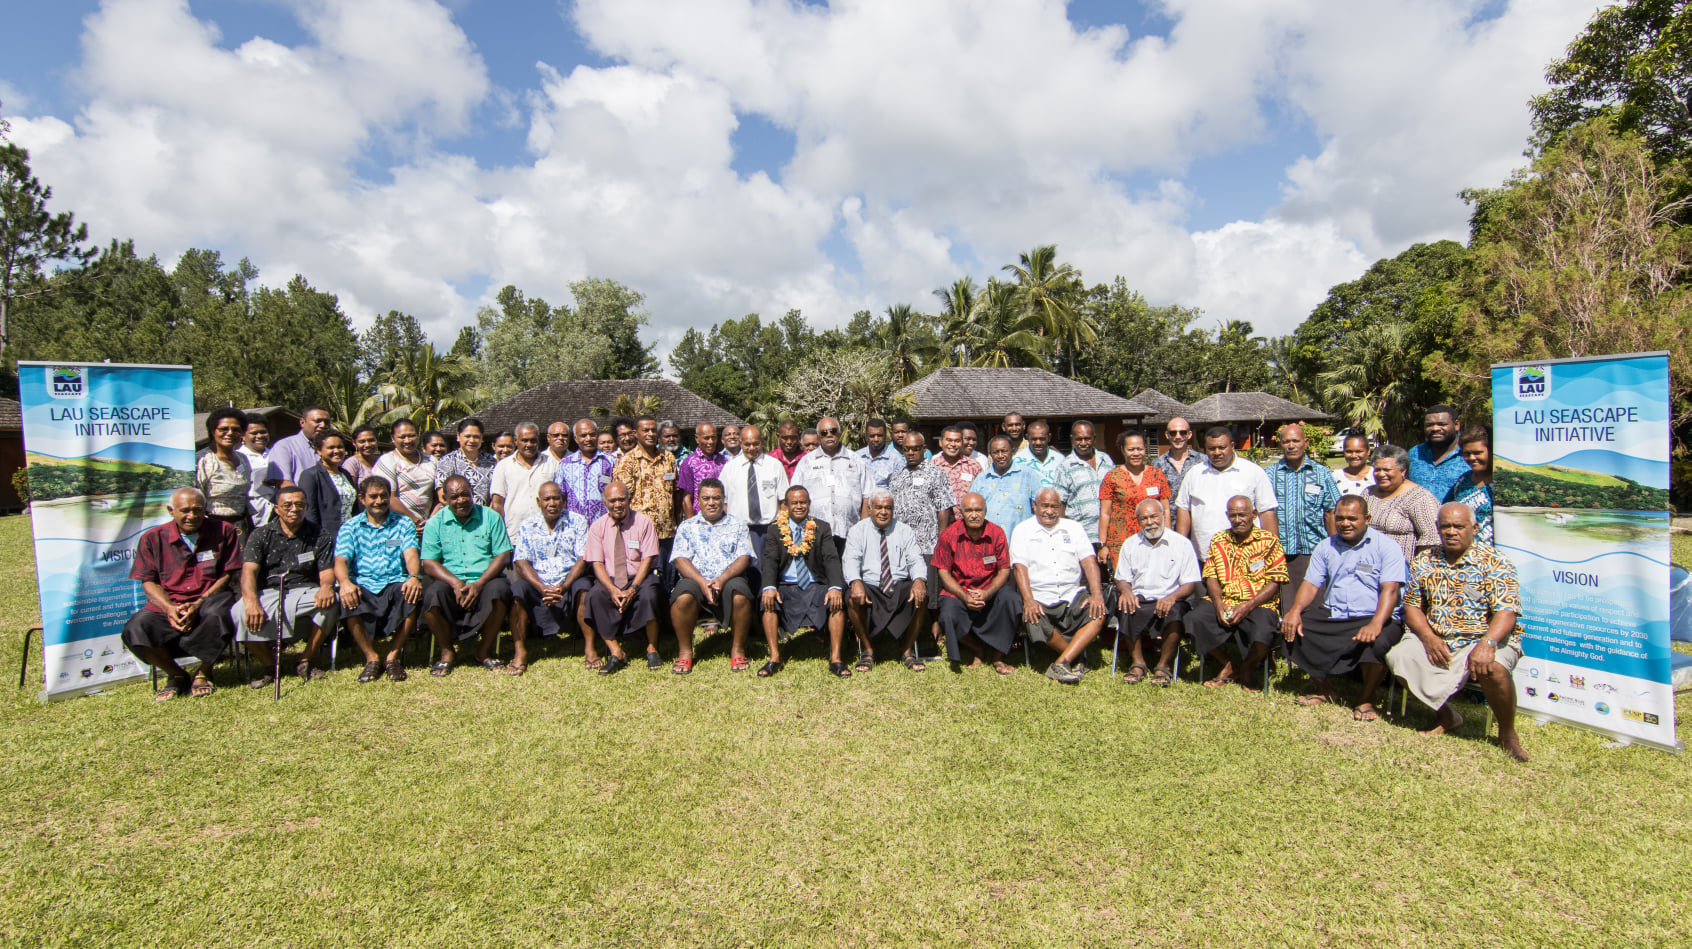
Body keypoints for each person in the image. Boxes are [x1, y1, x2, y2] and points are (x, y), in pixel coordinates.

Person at [1386, 503, 1529, 761]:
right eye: (1445, 526)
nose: (1451, 532)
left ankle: (1507, 734)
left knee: (1493, 667)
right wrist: (1429, 638)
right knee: (1400, 656)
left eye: (1459, 526)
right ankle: (1446, 715)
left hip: (1485, 636)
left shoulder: (1495, 562)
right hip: (1438, 635)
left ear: (1474, 528)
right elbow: (1412, 607)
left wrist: (1487, 643)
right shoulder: (1425, 560)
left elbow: (1506, 611)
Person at [1281, 495, 1407, 720]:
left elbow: (1390, 590)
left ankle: (1365, 699)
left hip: (1375, 615)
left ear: (1367, 518)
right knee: (1294, 629)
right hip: (1335, 613)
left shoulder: (1387, 547)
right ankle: (1324, 689)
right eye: (1340, 518)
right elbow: (1310, 584)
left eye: (1352, 518)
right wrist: (1295, 611)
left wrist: (1376, 624)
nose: (1345, 523)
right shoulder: (1326, 546)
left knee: (1377, 642)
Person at [122, 488, 240, 700]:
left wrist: (199, 603)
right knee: (135, 628)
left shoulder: (225, 531)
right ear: (171, 511)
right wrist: (169, 608)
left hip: (209, 596)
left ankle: (204, 672)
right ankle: (176, 674)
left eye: (198, 510)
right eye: (185, 510)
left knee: (218, 615)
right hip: (170, 601)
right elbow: (148, 581)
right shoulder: (152, 539)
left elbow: (227, 573)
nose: (192, 516)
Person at [232, 485, 337, 686]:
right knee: (239, 612)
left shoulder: (319, 535)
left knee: (331, 602)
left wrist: (326, 587)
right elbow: (248, 572)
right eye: (287, 505)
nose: (293, 509)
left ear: (306, 507)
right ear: (276, 508)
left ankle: (305, 660)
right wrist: (252, 602)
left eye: (299, 504)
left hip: (306, 590)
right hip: (270, 591)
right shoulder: (260, 534)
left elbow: (326, 572)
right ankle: (270, 666)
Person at [1186, 495, 1290, 692]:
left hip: (1259, 603)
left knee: (1264, 632)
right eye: (1232, 515)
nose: (1237, 519)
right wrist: (1218, 603)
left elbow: (1276, 581)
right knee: (1194, 619)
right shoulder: (1219, 539)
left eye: (1242, 515)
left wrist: (1247, 606)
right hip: (1225, 599)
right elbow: (1211, 576)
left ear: (1254, 515)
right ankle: (1227, 665)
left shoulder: (1269, 541)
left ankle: (1247, 668)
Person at [1010, 488, 1108, 683]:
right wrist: (1028, 600)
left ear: (1061, 508)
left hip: (1072, 595)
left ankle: (1061, 662)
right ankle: (1076, 658)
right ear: (1034, 506)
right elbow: (1019, 568)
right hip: (1040, 595)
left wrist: (1096, 593)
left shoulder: (1074, 528)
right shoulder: (1022, 530)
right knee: (1033, 617)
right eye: (1044, 506)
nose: (1049, 511)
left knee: (1098, 611)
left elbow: (1089, 562)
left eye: (1054, 506)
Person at [419, 476, 514, 676]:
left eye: (465, 495)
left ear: (473, 494)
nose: (461, 500)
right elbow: (428, 562)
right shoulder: (435, 523)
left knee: (500, 590)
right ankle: (447, 652)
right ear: (444, 499)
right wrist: (455, 582)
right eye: (454, 497)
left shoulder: (490, 517)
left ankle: (484, 650)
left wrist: (479, 583)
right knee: (431, 595)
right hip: (449, 581)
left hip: (485, 578)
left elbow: (503, 555)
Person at [334, 477, 424, 683]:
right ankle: (371, 657)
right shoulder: (350, 527)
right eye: (373, 496)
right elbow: (341, 560)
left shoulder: (403, 523)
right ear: (362, 499)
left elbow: (410, 553)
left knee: (411, 594)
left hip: (394, 581)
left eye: (383, 496)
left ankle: (393, 656)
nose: (379, 500)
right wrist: (346, 583)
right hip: (363, 582)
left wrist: (413, 577)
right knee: (348, 598)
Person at [669, 478, 757, 674]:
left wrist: (722, 579)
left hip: (728, 578)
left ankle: (738, 649)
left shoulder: (737, 524)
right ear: (698, 501)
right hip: (695, 579)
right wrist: (702, 583)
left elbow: (744, 557)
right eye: (706, 498)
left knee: (741, 595)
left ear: (723, 500)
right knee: (682, 598)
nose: (711, 502)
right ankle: (685, 652)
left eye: (716, 498)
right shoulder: (687, 526)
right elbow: (680, 559)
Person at [758, 486, 848, 678]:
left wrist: (835, 587)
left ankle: (836, 659)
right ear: (786, 506)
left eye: (803, 502)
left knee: (837, 600)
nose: (799, 506)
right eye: (794, 503)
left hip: (815, 584)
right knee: (767, 600)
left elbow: (831, 558)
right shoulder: (775, 529)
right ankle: (774, 657)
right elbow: (770, 560)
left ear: (809, 503)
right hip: (786, 585)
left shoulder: (821, 527)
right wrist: (769, 586)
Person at [1114, 499, 1201, 687]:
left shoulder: (1182, 544)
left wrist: (1172, 597)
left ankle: (1164, 665)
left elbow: (1190, 583)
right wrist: (1126, 591)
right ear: (1138, 520)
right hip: (1141, 598)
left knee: (1176, 613)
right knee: (1126, 605)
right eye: (1144, 518)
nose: (1150, 522)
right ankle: (1138, 663)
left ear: (1163, 516)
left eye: (1154, 516)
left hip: (1172, 598)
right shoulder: (1130, 544)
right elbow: (1122, 577)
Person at [509, 482, 592, 676]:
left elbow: (583, 557)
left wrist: (564, 586)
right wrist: (541, 587)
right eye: (547, 499)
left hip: (568, 580)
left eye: (556, 498)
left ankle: (590, 648)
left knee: (585, 588)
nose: (552, 503)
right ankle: (520, 651)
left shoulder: (578, 521)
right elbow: (521, 561)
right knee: (516, 591)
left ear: (563, 501)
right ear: (539, 502)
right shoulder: (528, 525)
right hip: (539, 583)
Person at [842, 490, 930, 672]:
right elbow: (851, 560)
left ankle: (907, 650)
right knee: (852, 596)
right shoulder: (858, 530)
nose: (883, 512)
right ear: (870, 508)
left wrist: (919, 580)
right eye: (879, 507)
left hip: (897, 586)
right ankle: (867, 650)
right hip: (871, 587)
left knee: (922, 595)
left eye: (888, 508)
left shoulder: (904, 530)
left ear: (893, 509)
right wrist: (855, 581)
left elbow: (915, 559)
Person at [934, 493, 1022, 673]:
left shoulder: (996, 533)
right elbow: (943, 571)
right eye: (969, 510)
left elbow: (1004, 569)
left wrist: (988, 593)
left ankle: (998, 655)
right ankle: (977, 649)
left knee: (1012, 599)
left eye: (978, 510)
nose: (974, 514)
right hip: (960, 591)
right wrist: (964, 596)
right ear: (962, 512)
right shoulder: (949, 534)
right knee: (947, 614)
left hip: (989, 590)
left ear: (985, 511)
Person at [582, 480, 662, 675]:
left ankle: (652, 648)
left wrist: (633, 588)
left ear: (629, 499)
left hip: (638, 577)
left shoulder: (643, 522)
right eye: (612, 501)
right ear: (605, 503)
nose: (617, 504)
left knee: (650, 593)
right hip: (610, 579)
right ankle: (616, 651)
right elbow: (597, 563)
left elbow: (647, 558)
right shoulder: (598, 527)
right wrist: (612, 589)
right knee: (593, 596)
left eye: (621, 499)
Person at [1176, 427, 1278, 563]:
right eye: (1211, 449)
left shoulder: (1253, 472)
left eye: (1222, 447)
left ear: (1232, 446)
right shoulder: (1194, 474)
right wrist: (1180, 550)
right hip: (1204, 558)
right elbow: (1184, 511)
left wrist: (1272, 553)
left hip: (1247, 558)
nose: (1217, 453)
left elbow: (1266, 512)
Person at [1266, 423, 1340, 596]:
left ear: (1306, 443)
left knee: (1315, 601)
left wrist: (1335, 546)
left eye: (1295, 441)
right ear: (1280, 444)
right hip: (1281, 551)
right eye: (1286, 442)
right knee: (1287, 602)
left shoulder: (1322, 473)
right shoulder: (1269, 475)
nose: (1291, 446)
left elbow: (1331, 512)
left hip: (1314, 549)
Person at [719, 424, 789, 581]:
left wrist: (780, 527)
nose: (752, 448)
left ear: (762, 442)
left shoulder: (774, 466)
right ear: (740, 443)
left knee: (768, 571)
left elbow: (784, 500)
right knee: (744, 574)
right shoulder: (730, 468)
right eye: (747, 444)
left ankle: (767, 604)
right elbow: (723, 502)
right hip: (740, 530)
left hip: (769, 529)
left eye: (756, 443)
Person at [793, 415, 871, 546]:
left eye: (833, 431)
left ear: (839, 433)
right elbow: (794, 494)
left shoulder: (856, 460)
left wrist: (862, 527)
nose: (829, 435)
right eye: (824, 433)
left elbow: (867, 495)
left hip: (849, 532)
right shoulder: (806, 462)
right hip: (814, 533)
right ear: (818, 436)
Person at [1098, 431, 1171, 571]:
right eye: (1131, 449)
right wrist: (1103, 545)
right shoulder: (1112, 477)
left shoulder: (1157, 474)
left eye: (1140, 449)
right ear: (1123, 450)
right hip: (1121, 541)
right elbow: (1105, 513)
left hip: (1152, 537)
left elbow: (1165, 509)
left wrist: (1167, 537)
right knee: (1125, 583)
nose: (1136, 453)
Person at [1366, 444, 1440, 563]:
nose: (1380, 474)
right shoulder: (1368, 493)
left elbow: (1431, 538)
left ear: (1403, 470)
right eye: (1377, 470)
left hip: (1401, 570)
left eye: (1387, 470)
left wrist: (1420, 569)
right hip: (1367, 565)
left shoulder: (1419, 498)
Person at [614, 415, 680, 547]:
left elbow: (675, 493)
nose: (651, 434)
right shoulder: (627, 461)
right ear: (635, 433)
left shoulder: (668, 457)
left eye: (653, 430)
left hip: (667, 533)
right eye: (646, 430)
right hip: (640, 533)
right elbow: (622, 500)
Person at [1049, 419, 1115, 548]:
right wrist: (1063, 534)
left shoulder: (1106, 460)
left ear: (1094, 438)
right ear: (1072, 438)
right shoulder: (1065, 466)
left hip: (1109, 532)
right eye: (1079, 439)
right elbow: (1060, 503)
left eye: (1087, 439)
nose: (1083, 443)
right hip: (1081, 535)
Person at [490, 423, 560, 542]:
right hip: (514, 534)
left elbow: (560, 499)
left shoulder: (551, 464)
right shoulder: (503, 466)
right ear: (516, 441)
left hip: (546, 533)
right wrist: (500, 534)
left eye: (533, 441)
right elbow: (497, 504)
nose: (529, 445)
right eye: (524, 440)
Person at [372, 419, 436, 537]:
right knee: (397, 552)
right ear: (393, 438)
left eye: (412, 436)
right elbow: (389, 497)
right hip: (396, 526)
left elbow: (439, 495)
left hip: (428, 527)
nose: (407, 440)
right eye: (402, 437)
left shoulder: (432, 460)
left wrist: (431, 521)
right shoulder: (387, 461)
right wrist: (415, 521)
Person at [197, 407, 253, 536]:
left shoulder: (242, 459)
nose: (230, 433)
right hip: (212, 529)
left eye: (236, 430)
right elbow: (196, 499)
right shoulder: (202, 460)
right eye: (223, 429)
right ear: (212, 431)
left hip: (241, 527)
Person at [971, 435, 1041, 537]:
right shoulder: (982, 479)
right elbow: (972, 508)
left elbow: (1039, 506)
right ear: (990, 454)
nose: (1000, 456)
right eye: (995, 452)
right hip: (989, 539)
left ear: (1012, 451)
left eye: (1004, 451)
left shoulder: (1028, 475)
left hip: (1021, 538)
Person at [298, 428, 359, 537]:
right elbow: (309, 512)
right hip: (326, 537)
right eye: (331, 448)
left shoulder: (345, 474)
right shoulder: (310, 475)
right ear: (318, 450)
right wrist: (317, 539)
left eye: (340, 447)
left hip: (350, 535)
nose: (336, 451)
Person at [557, 418, 616, 525]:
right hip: (574, 526)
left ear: (597, 435)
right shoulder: (565, 464)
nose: (588, 439)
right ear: (575, 438)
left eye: (592, 434)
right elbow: (561, 497)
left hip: (604, 524)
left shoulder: (611, 462)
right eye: (583, 436)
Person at [1408, 404, 1468, 503]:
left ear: (1456, 425)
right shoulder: (1414, 454)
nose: (1435, 428)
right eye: (1429, 425)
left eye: (1442, 424)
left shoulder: (1469, 454)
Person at [1445, 430, 1495, 546]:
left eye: (1478, 453)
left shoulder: (1501, 482)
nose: (1472, 458)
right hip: (1467, 553)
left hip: (1495, 555)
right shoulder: (1463, 481)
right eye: (1467, 454)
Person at [433, 418, 497, 506]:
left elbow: (495, 496)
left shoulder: (491, 462)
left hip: (483, 516)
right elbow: (443, 497)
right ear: (458, 436)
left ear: (482, 438)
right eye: (467, 436)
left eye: (476, 437)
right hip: (455, 516)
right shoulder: (447, 461)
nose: (472, 440)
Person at [267, 405, 331, 487]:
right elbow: (283, 483)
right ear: (302, 422)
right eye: (317, 421)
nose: (323, 425)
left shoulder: (333, 449)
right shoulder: (284, 447)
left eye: (327, 422)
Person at [677, 422, 729, 518]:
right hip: (700, 519)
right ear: (697, 438)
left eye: (713, 437)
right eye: (706, 438)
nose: (711, 442)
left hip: (722, 519)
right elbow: (686, 498)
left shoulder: (724, 461)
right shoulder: (689, 463)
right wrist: (692, 525)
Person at [931, 424, 984, 516]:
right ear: (940, 442)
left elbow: (982, 493)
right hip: (938, 523)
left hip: (967, 522)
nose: (953, 444)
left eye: (957, 441)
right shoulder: (932, 466)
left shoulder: (974, 466)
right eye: (949, 440)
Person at [1155, 416, 1203, 500]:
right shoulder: (1158, 464)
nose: (1178, 436)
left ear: (1189, 434)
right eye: (1173, 433)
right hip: (1169, 512)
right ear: (1167, 435)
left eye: (1183, 432)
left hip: (1196, 512)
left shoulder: (1202, 461)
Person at [239, 416, 275, 526]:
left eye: (263, 432)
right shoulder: (238, 458)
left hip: (275, 511)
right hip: (252, 514)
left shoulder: (276, 454)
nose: (259, 436)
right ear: (243, 436)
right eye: (254, 433)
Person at [856, 417, 903, 491]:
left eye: (879, 435)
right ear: (866, 436)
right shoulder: (857, 457)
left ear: (885, 435)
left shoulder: (896, 460)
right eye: (872, 436)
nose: (876, 439)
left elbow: (899, 490)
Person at [1334, 432, 1376, 497]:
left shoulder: (1376, 475)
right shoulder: (1335, 476)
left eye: (1358, 451)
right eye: (1349, 452)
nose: (1354, 456)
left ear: (1368, 452)